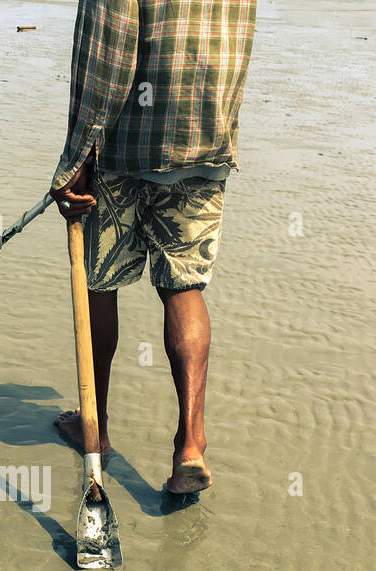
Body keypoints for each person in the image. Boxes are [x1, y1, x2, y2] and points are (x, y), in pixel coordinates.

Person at [49, 0, 257, 495]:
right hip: (206, 138)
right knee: (183, 285)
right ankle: (190, 443)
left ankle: (93, 426)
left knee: (99, 280)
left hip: (127, 143)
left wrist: (76, 156)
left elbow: (107, 53)